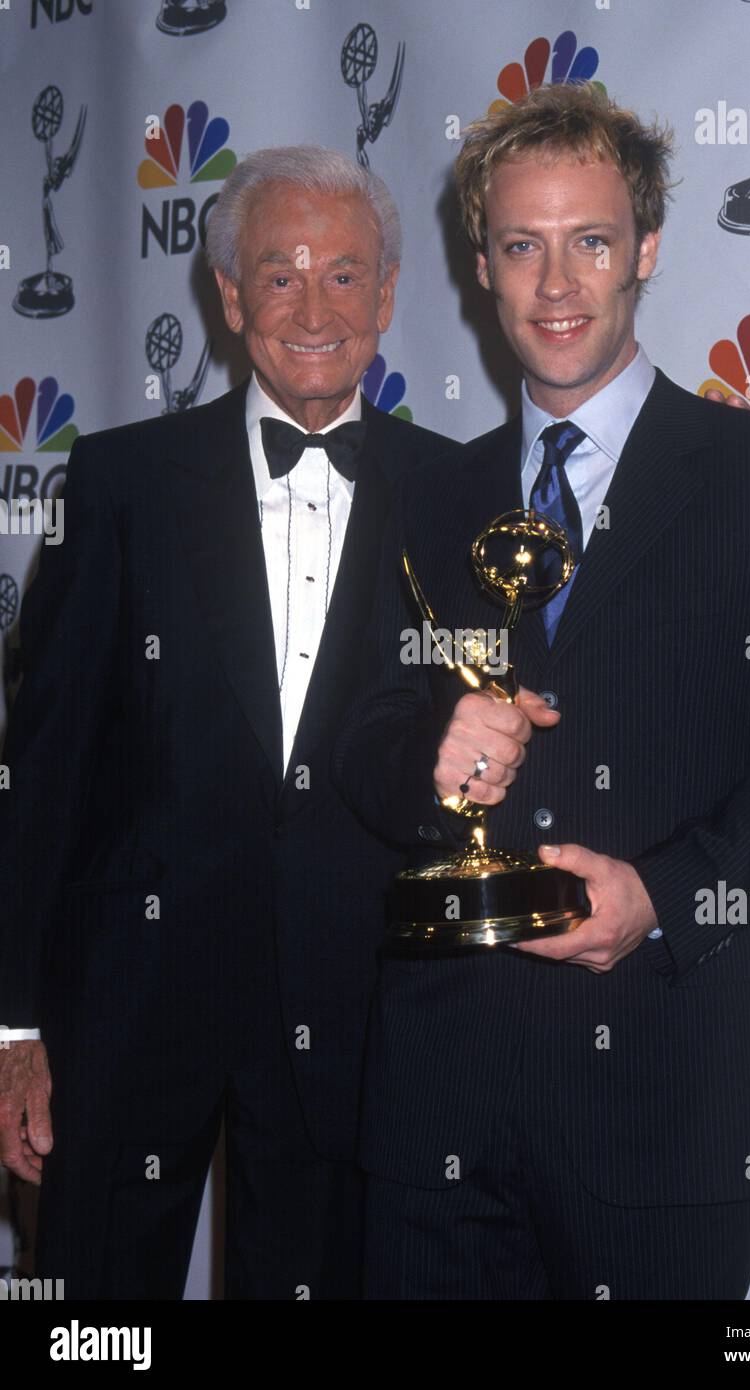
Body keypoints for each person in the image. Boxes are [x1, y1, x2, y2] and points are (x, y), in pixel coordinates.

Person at [334, 83, 750, 1300]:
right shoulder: (426, 496)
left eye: (589, 241)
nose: (555, 285)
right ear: (477, 261)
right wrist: (429, 753)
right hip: (440, 1101)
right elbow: (367, 736)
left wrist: (664, 895)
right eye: (522, 246)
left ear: (645, 247)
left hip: (671, 1095)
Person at [0, 145, 454, 1300]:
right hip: (128, 1004)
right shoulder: (118, 484)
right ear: (229, 295)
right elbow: (42, 770)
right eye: (281, 273)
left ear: (390, 295)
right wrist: (11, 1029)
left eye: (346, 275)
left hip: (359, 1014)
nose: (315, 308)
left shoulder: (461, 496)